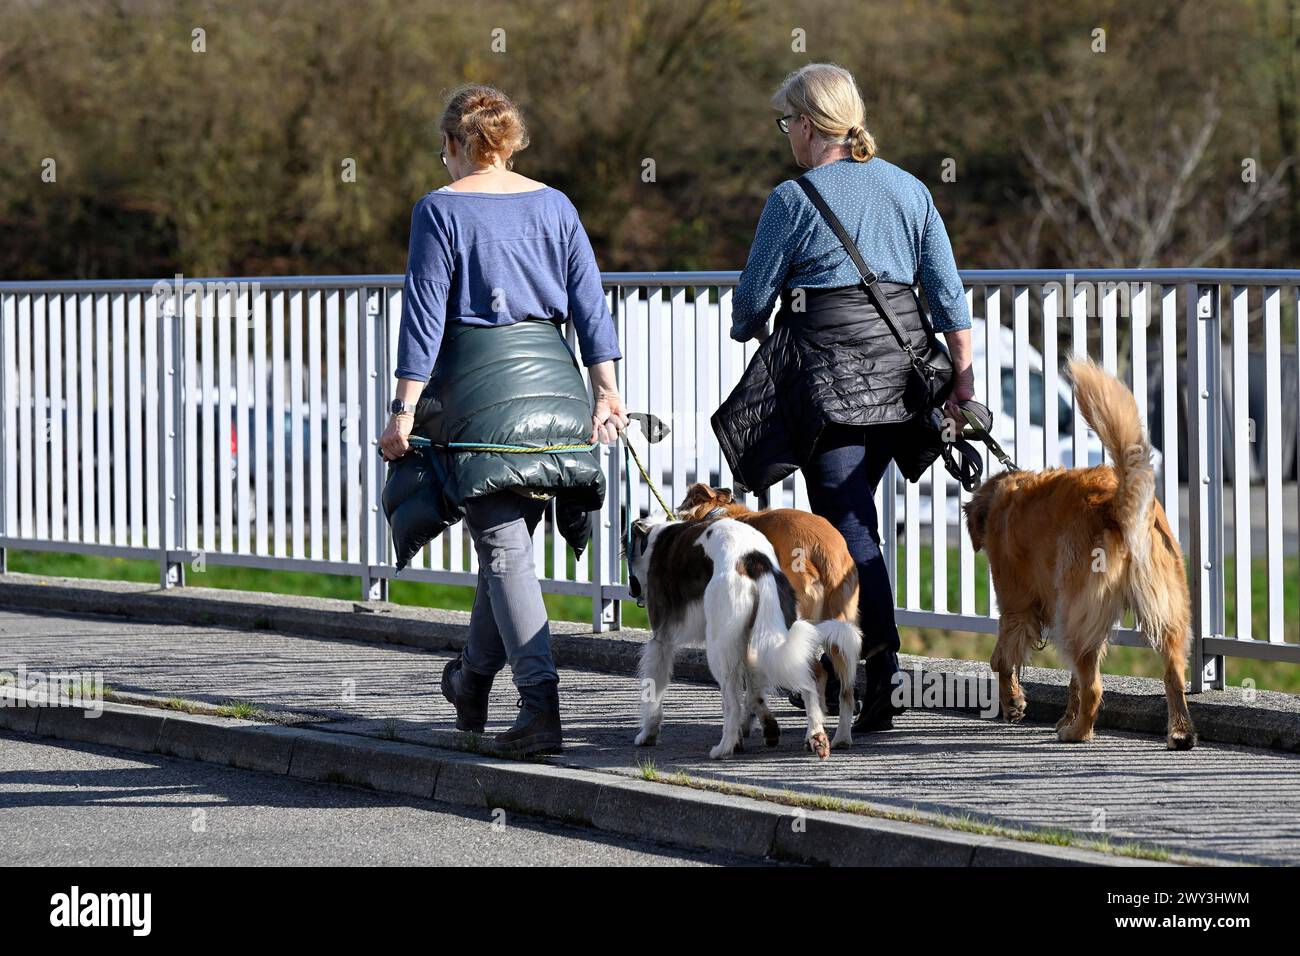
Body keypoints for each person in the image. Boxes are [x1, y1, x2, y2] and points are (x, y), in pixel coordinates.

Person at [723, 63, 975, 733]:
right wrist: (963, 382)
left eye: (787, 123)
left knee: (850, 529)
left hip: (830, 391)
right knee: (856, 520)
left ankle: (878, 683)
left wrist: (748, 323)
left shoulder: (793, 199)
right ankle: (853, 676)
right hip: (903, 384)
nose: (786, 136)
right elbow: (949, 295)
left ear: (808, 125)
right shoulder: (910, 189)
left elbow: (750, 304)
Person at [379, 84, 628, 756]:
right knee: (507, 552)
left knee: (503, 550)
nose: (443, 163)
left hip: (481, 394)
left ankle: (541, 708)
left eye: (443, 151)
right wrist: (606, 391)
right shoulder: (556, 204)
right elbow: (589, 305)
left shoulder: (440, 211)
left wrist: (402, 411)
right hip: (555, 388)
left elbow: (424, 319)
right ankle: (470, 680)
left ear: (459, 146)